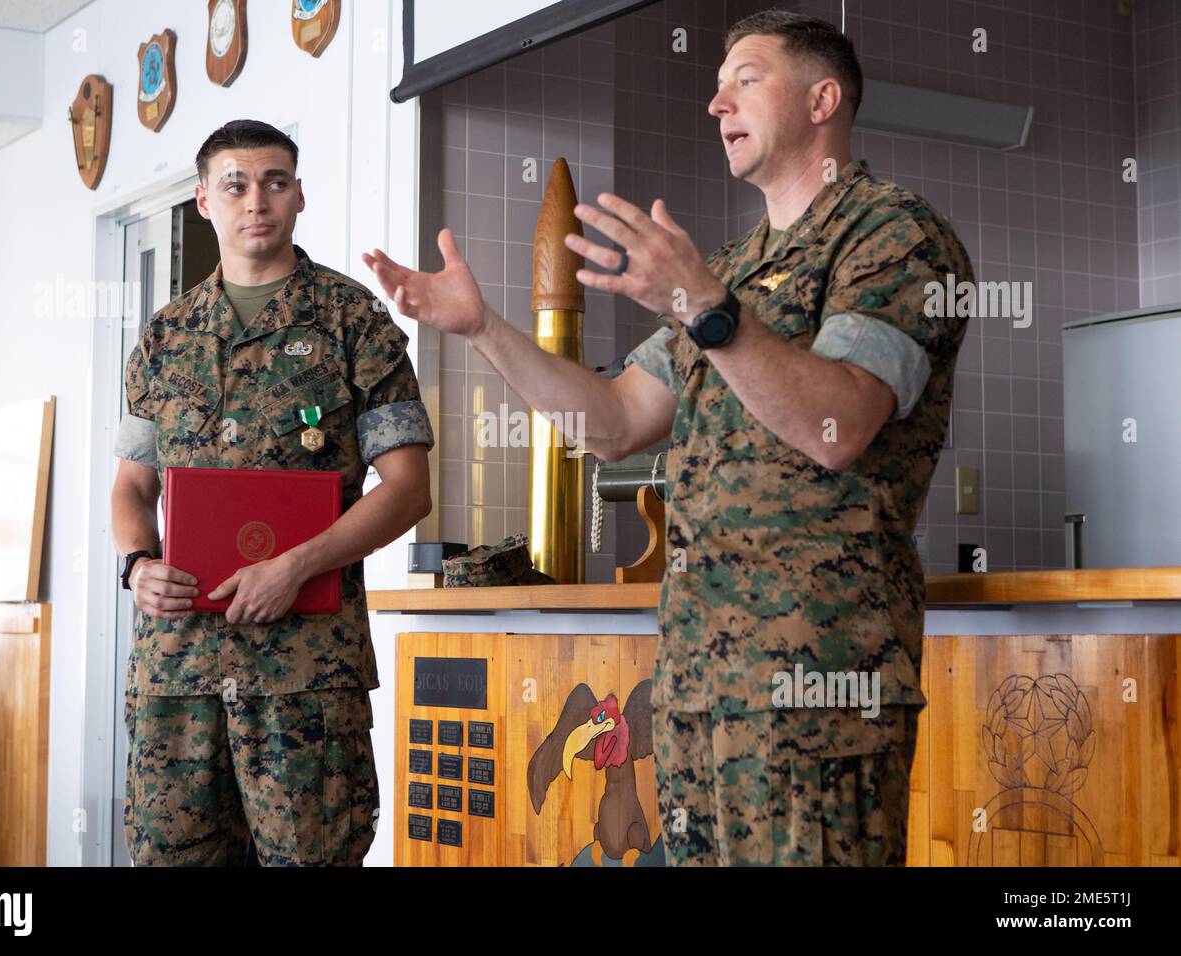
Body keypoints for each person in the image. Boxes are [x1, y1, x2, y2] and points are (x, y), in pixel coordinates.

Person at [362, 10, 973, 865]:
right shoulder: (733, 266)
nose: (717, 101)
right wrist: (481, 330)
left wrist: (703, 306)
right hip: (696, 692)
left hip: (816, 693)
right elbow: (611, 424)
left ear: (824, 98)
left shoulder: (892, 234)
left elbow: (839, 427)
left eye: (747, 78)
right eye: (717, 83)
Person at [111, 119, 434, 866]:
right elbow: (132, 485)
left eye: (274, 182)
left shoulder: (355, 322)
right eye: (236, 184)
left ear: (297, 196)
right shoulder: (164, 338)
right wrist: (135, 564)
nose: (256, 200)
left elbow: (409, 488)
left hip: (305, 676)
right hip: (177, 673)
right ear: (203, 201)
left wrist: (296, 565)